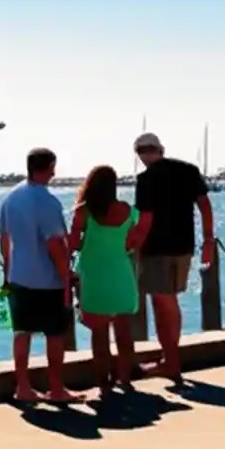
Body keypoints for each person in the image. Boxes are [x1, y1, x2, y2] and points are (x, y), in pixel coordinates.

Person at [0, 147, 79, 403]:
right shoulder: (47, 201)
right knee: (55, 334)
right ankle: (56, 388)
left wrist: (8, 269)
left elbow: (4, 237)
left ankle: (22, 386)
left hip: (19, 276)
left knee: (22, 332)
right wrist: (67, 274)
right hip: (47, 280)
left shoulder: (11, 198)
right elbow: (55, 243)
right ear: (51, 168)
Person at [133, 132, 215, 382]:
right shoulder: (188, 170)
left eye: (145, 150)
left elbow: (145, 220)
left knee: (162, 304)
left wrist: (133, 246)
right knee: (170, 303)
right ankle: (170, 359)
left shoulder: (145, 180)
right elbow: (204, 205)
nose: (145, 154)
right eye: (142, 150)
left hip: (157, 249)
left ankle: (171, 362)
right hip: (184, 247)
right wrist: (208, 239)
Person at [68, 165, 145, 393]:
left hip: (94, 277)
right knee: (124, 332)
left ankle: (103, 383)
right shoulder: (130, 212)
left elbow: (73, 243)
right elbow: (133, 243)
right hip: (121, 274)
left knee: (99, 334)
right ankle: (125, 379)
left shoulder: (84, 212)